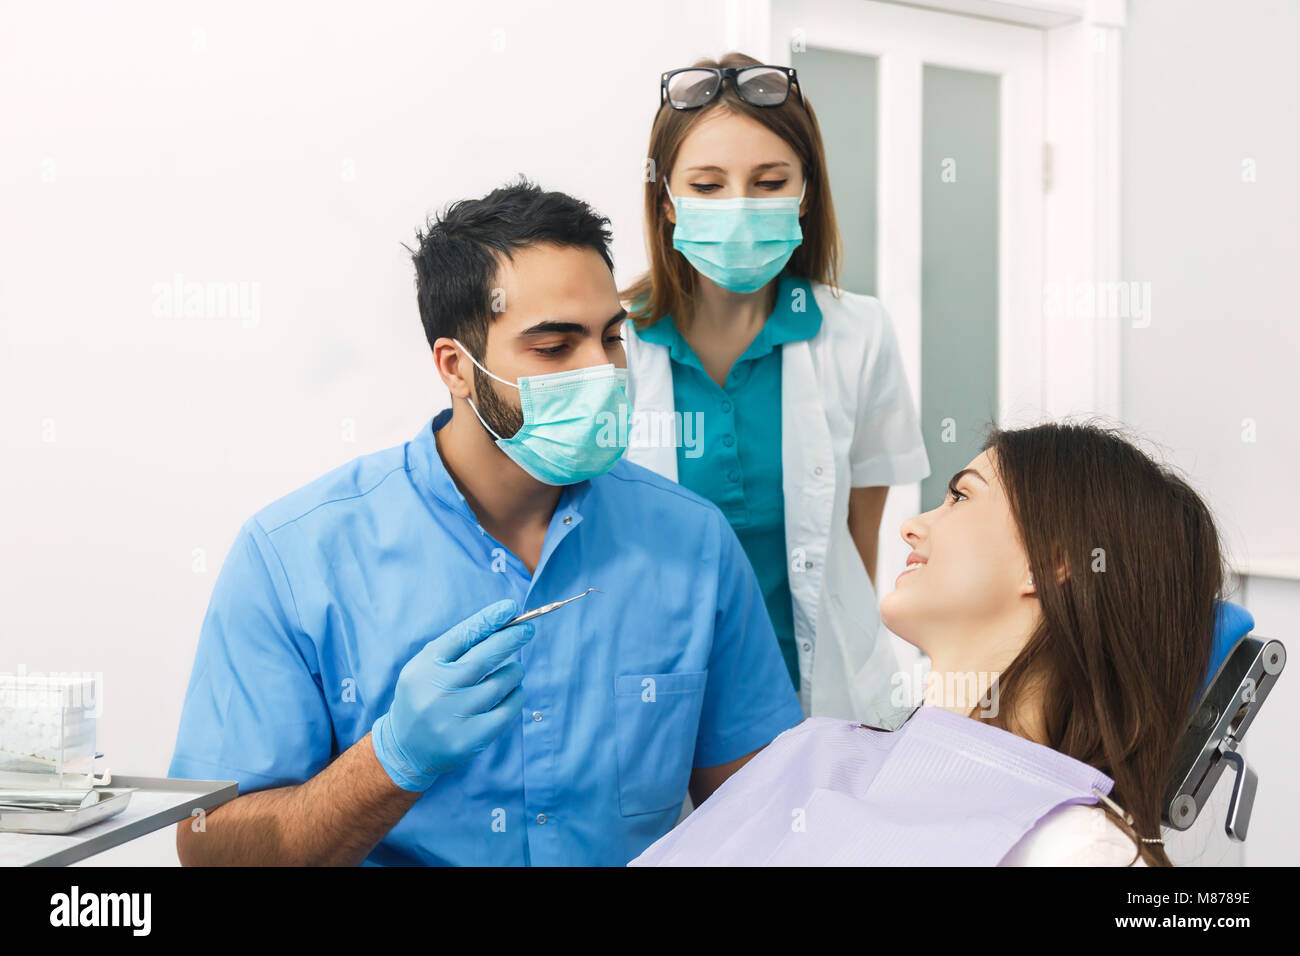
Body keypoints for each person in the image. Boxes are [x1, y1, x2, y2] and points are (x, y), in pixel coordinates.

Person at [167, 178, 804, 866]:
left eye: (611, 337)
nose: (602, 371)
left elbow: (760, 814)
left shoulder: (693, 543)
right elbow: (210, 848)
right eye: (555, 347)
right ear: (456, 367)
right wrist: (392, 761)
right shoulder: (293, 558)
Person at [631, 421, 1227, 866]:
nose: (911, 525)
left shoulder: (1074, 848)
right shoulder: (815, 752)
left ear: (1051, 565)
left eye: (961, 497)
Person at [621, 53, 930, 724]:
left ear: (807, 190)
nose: (739, 209)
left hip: (821, 698)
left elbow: (856, 539)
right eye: (707, 185)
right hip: (664, 701)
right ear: (667, 200)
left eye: (769, 182)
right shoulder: (609, 346)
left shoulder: (858, 333)